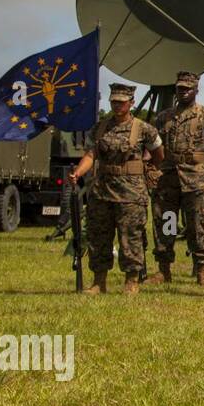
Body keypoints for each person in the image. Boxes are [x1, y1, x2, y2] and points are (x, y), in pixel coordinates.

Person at [68, 82, 164, 294]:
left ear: (131, 103)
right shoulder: (100, 127)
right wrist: (78, 173)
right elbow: (91, 155)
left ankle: (131, 281)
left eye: (121, 102)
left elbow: (158, 154)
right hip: (102, 191)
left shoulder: (144, 128)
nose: (117, 105)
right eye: (114, 101)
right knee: (99, 237)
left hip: (131, 194)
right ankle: (98, 282)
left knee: (131, 237)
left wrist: (145, 168)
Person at [149, 70, 204, 286]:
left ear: (196, 90)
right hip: (168, 180)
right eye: (180, 88)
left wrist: (203, 154)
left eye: (188, 88)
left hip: (196, 179)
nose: (183, 92)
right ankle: (163, 269)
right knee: (167, 223)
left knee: (199, 225)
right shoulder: (163, 117)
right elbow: (153, 145)